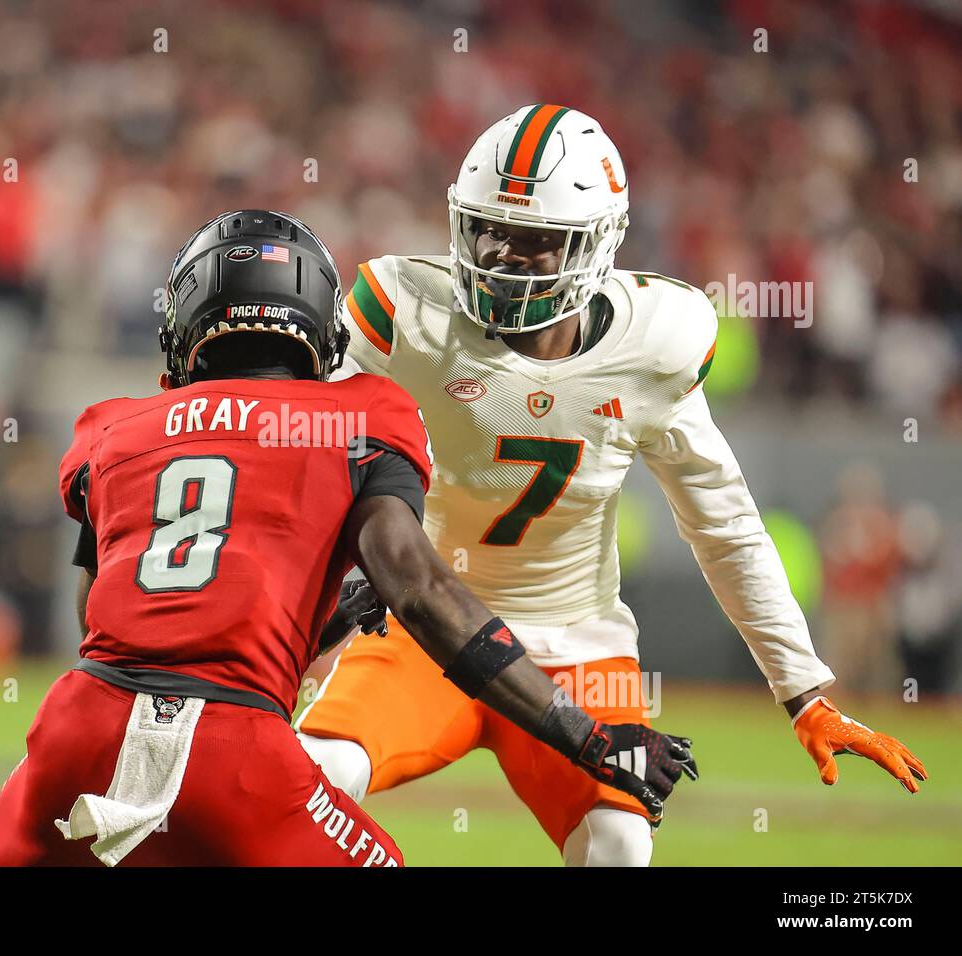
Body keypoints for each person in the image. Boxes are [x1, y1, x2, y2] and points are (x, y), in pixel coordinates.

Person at [295, 105, 928, 867]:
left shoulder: (651, 347)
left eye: (533, 242)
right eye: (488, 231)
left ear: (595, 245)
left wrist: (804, 691)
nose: (500, 257)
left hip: (576, 644)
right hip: (426, 629)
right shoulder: (407, 314)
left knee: (619, 848)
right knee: (307, 781)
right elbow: (299, 451)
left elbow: (724, 525)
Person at [0, 209, 698, 867]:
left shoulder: (113, 429)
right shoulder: (360, 418)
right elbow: (421, 592)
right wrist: (590, 739)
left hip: (79, 727)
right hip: (235, 751)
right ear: (320, 329)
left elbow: (110, 614)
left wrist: (310, 625)